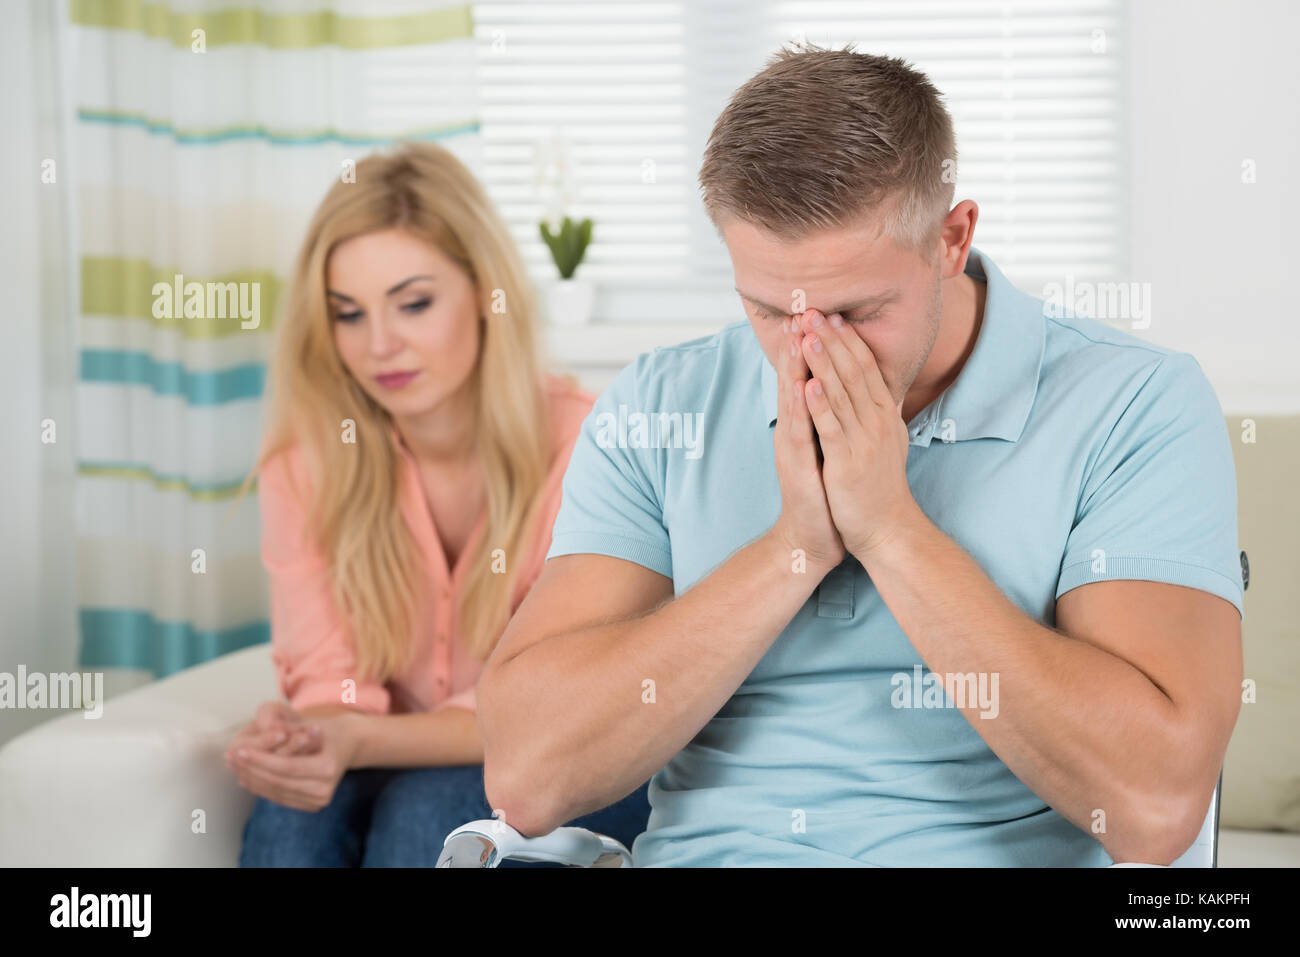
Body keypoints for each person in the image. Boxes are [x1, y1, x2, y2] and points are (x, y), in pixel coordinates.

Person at [477, 44, 1244, 867]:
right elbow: (527, 777)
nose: (808, 352)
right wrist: (792, 550)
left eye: (858, 309)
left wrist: (891, 530)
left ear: (952, 239)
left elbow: (1154, 807)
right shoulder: (662, 405)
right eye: (769, 309)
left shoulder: (1135, 402)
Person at [226, 142, 650, 866]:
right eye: (348, 313)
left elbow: (552, 711)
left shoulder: (591, 443)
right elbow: (330, 686)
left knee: (426, 816)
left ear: (487, 294)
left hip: (563, 764)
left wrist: (354, 738)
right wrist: (302, 740)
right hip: (394, 755)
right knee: (291, 816)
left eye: (413, 303)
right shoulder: (304, 462)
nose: (380, 344)